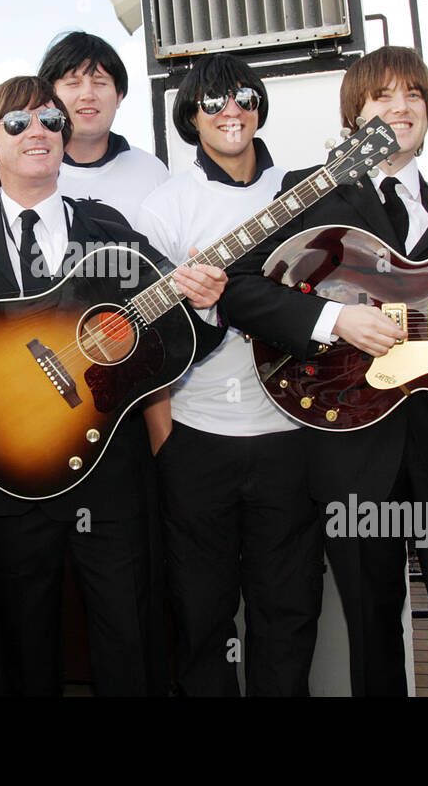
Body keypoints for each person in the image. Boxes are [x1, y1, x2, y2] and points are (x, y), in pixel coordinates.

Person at [218, 46, 428, 696]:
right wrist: (332, 323)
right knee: (373, 641)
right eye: (383, 96)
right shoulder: (308, 190)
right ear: (354, 114)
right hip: (352, 449)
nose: (401, 106)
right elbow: (238, 285)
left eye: (413, 94)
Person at [0, 75, 226, 696]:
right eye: (17, 123)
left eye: (49, 119)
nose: (37, 130)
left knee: (128, 627)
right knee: (21, 638)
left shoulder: (110, 227)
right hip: (3, 470)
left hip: (108, 467)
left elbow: (172, 338)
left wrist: (201, 302)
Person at [135, 54, 324, 696]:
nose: (231, 110)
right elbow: (145, 342)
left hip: (291, 434)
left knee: (289, 613)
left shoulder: (302, 192)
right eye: (212, 101)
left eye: (243, 95)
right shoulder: (163, 209)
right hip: (196, 435)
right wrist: (163, 436)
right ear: (191, 116)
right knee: (200, 618)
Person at [0, 31, 167, 224]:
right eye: (72, 83)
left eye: (100, 82)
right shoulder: (2, 173)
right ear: (50, 96)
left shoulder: (151, 172)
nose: (88, 95)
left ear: (119, 96)